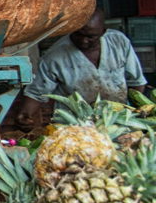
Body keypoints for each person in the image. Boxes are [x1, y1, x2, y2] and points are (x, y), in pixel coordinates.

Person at [16, 8, 149, 129]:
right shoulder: (54, 57)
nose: (84, 41)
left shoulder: (119, 43)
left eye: (91, 37)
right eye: (79, 34)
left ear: (103, 31)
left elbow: (136, 83)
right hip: (76, 128)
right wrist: (25, 114)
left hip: (118, 123)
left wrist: (138, 114)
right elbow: (37, 93)